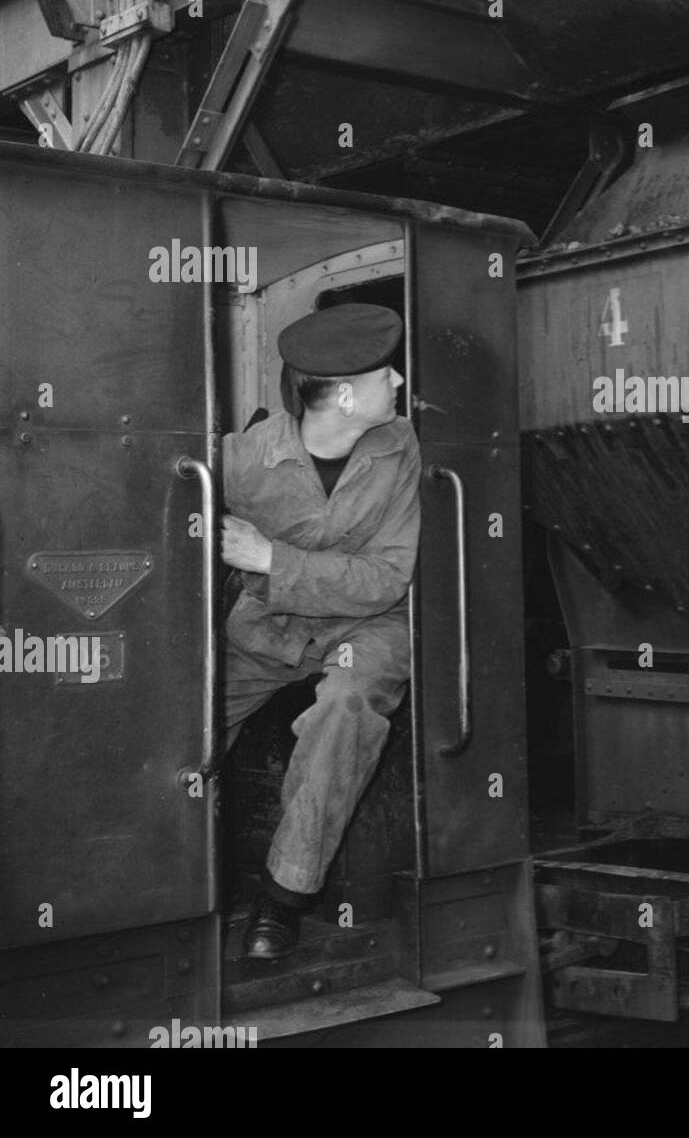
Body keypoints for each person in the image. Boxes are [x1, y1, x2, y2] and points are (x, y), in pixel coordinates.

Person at [220, 302, 421, 960]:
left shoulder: (400, 447)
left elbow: (388, 578)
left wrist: (274, 560)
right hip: (270, 627)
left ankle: (281, 898)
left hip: (368, 626)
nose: (397, 383)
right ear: (339, 395)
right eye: (384, 374)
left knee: (346, 707)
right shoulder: (241, 461)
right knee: (181, 718)